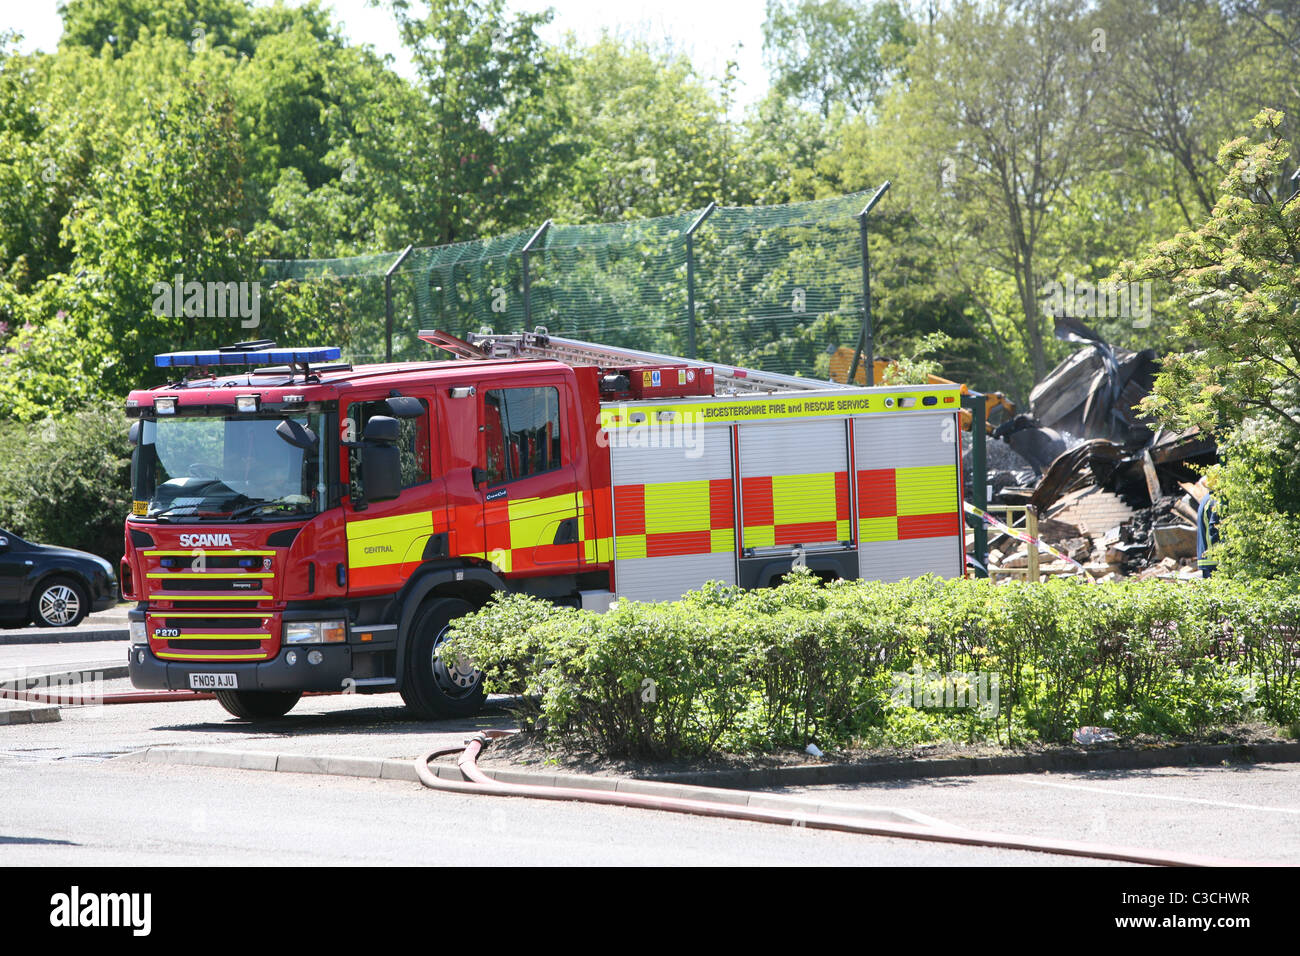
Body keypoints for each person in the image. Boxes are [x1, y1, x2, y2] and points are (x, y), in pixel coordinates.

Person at [1196, 492, 1219, 578]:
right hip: (1215, 561)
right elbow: (1215, 529)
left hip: (1207, 559)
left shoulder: (1206, 499)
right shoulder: (1216, 501)